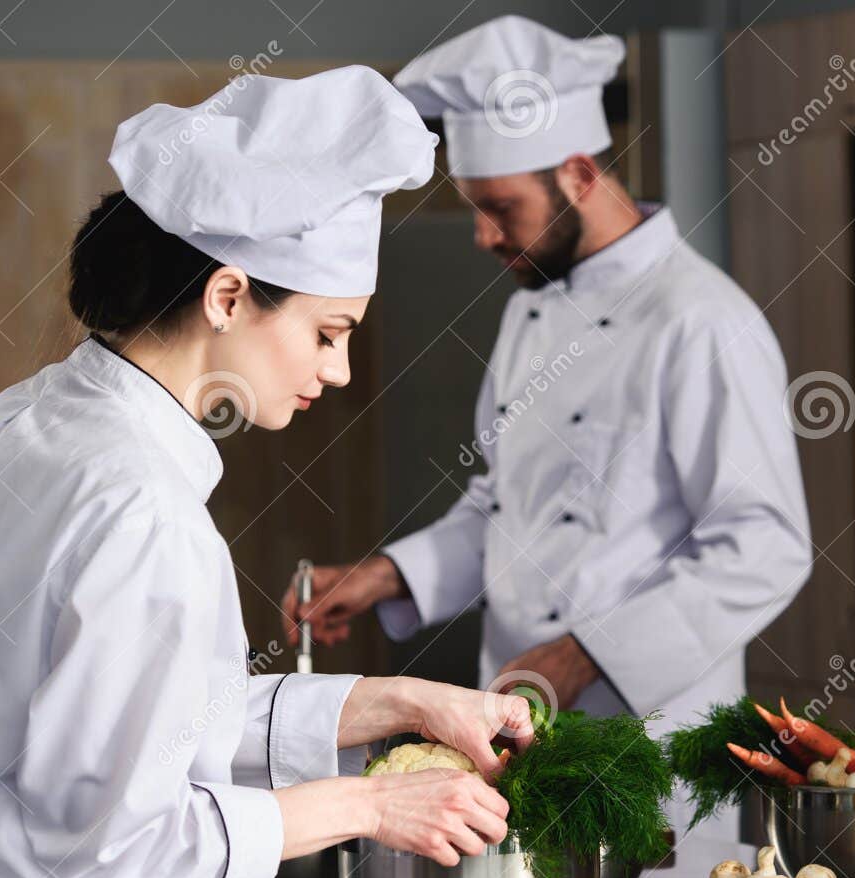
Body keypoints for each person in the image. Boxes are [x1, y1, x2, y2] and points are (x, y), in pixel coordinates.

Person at [0, 66, 532, 878]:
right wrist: (369, 805)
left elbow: (144, 719)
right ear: (229, 294)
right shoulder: (142, 508)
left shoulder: (31, 421)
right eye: (327, 332)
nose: (338, 371)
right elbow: (122, 834)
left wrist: (398, 703)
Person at [281, 18, 813, 821]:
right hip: (524, 735)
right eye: (476, 209)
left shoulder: (701, 321)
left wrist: (584, 654)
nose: (484, 236)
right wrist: (389, 575)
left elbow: (766, 545)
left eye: (501, 208)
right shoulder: (534, 312)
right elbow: (508, 505)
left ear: (576, 174)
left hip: (654, 755)